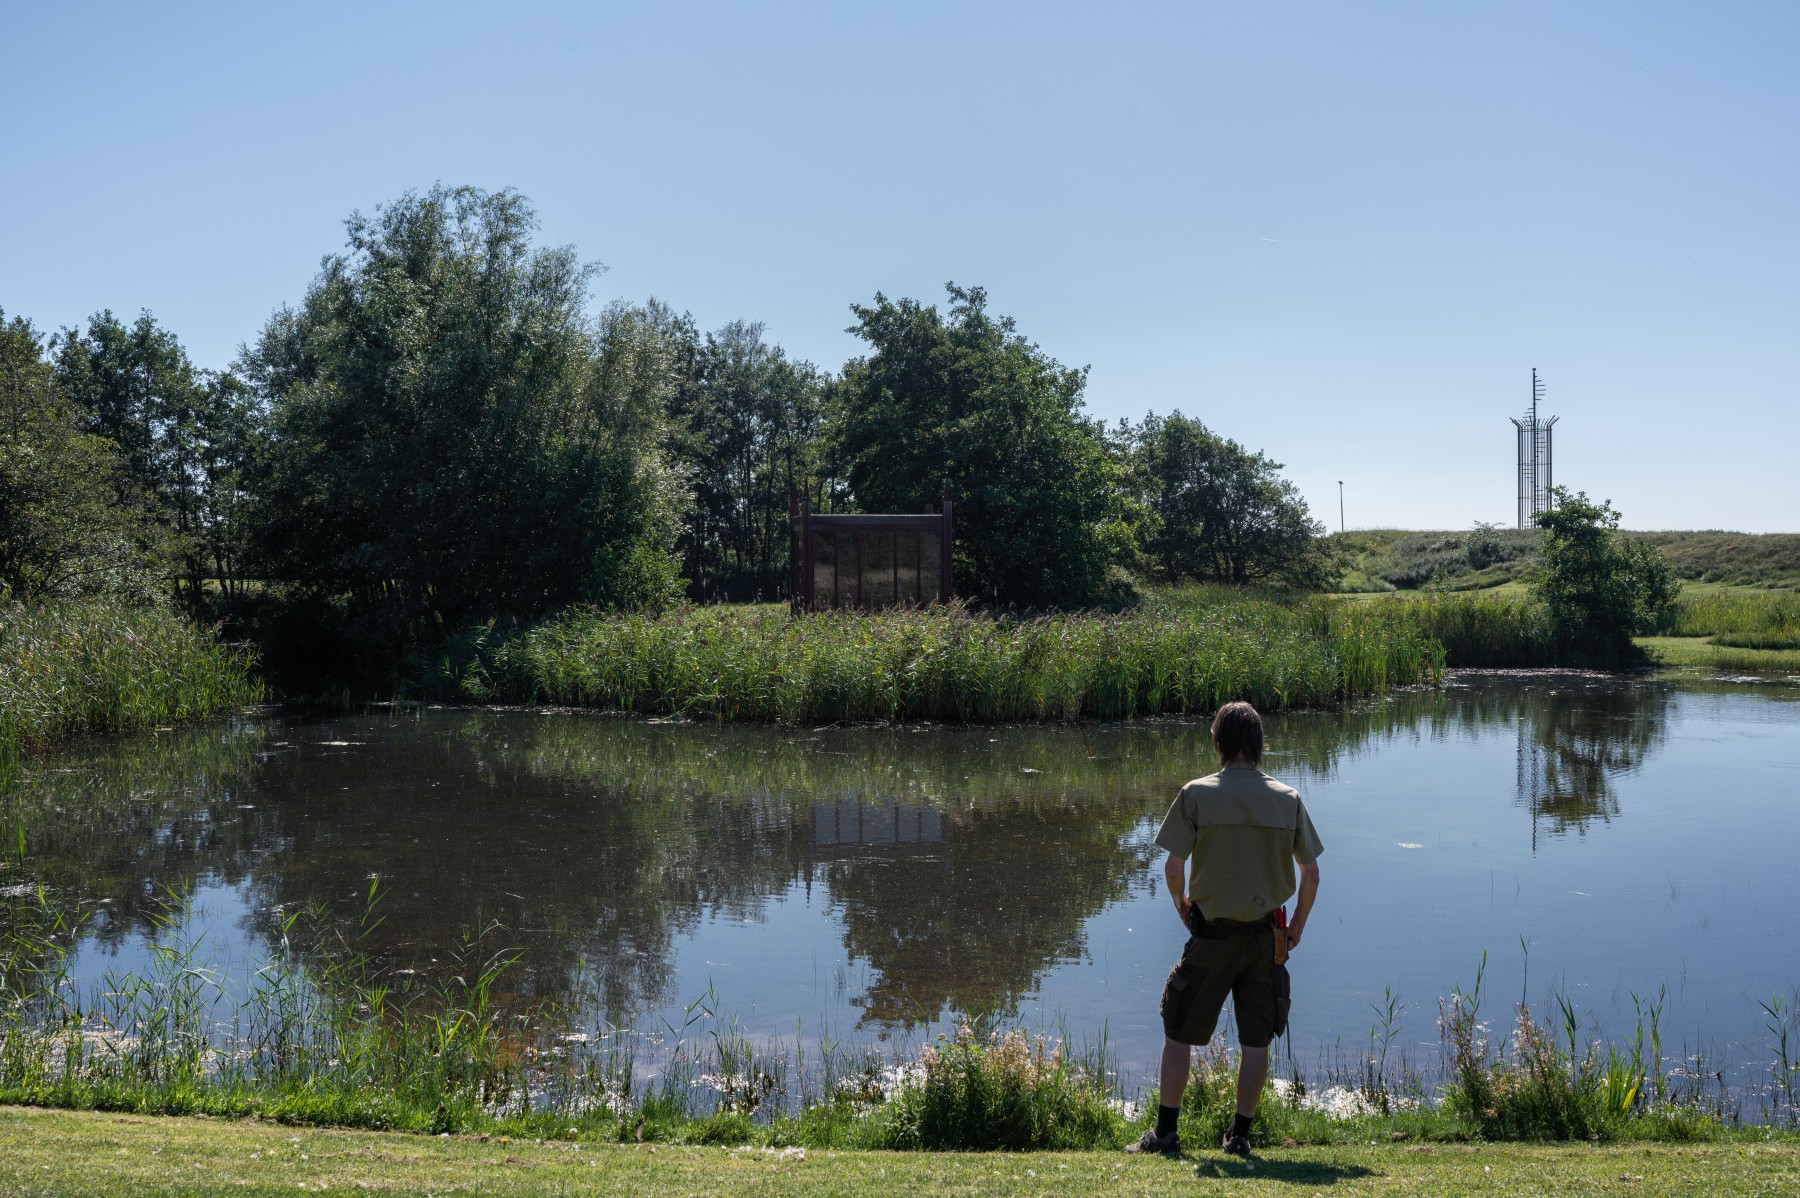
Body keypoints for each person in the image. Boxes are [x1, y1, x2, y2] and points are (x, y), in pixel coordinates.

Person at [1126, 700, 1323, 1158]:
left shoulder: (1196, 793)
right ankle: (1239, 1136)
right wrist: (1295, 928)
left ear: (1218, 742)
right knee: (1255, 1040)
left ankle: (1166, 1135)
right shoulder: (1287, 798)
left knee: (1178, 1031)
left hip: (1211, 935)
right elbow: (1311, 875)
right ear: (1257, 745)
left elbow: (1174, 866)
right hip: (1265, 938)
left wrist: (1181, 906)